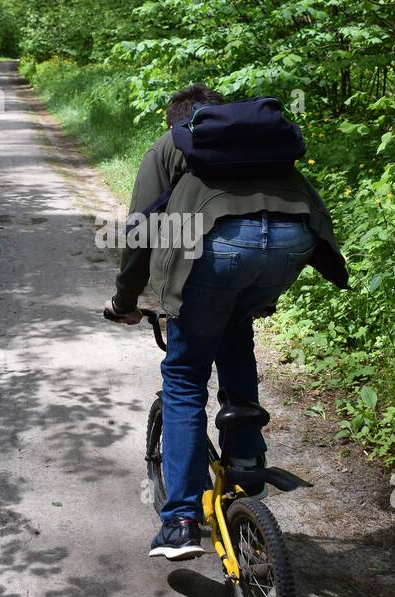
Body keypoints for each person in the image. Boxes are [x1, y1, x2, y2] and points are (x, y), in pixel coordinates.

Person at [105, 84, 348, 560]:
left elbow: (140, 230)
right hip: (294, 240)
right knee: (235, 328)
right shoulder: (261, 142)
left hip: (219, 248)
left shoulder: (172, 142)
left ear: (178, 120)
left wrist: (126, 300)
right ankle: (247, 460)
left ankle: (178, 519)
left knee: (184, 375)